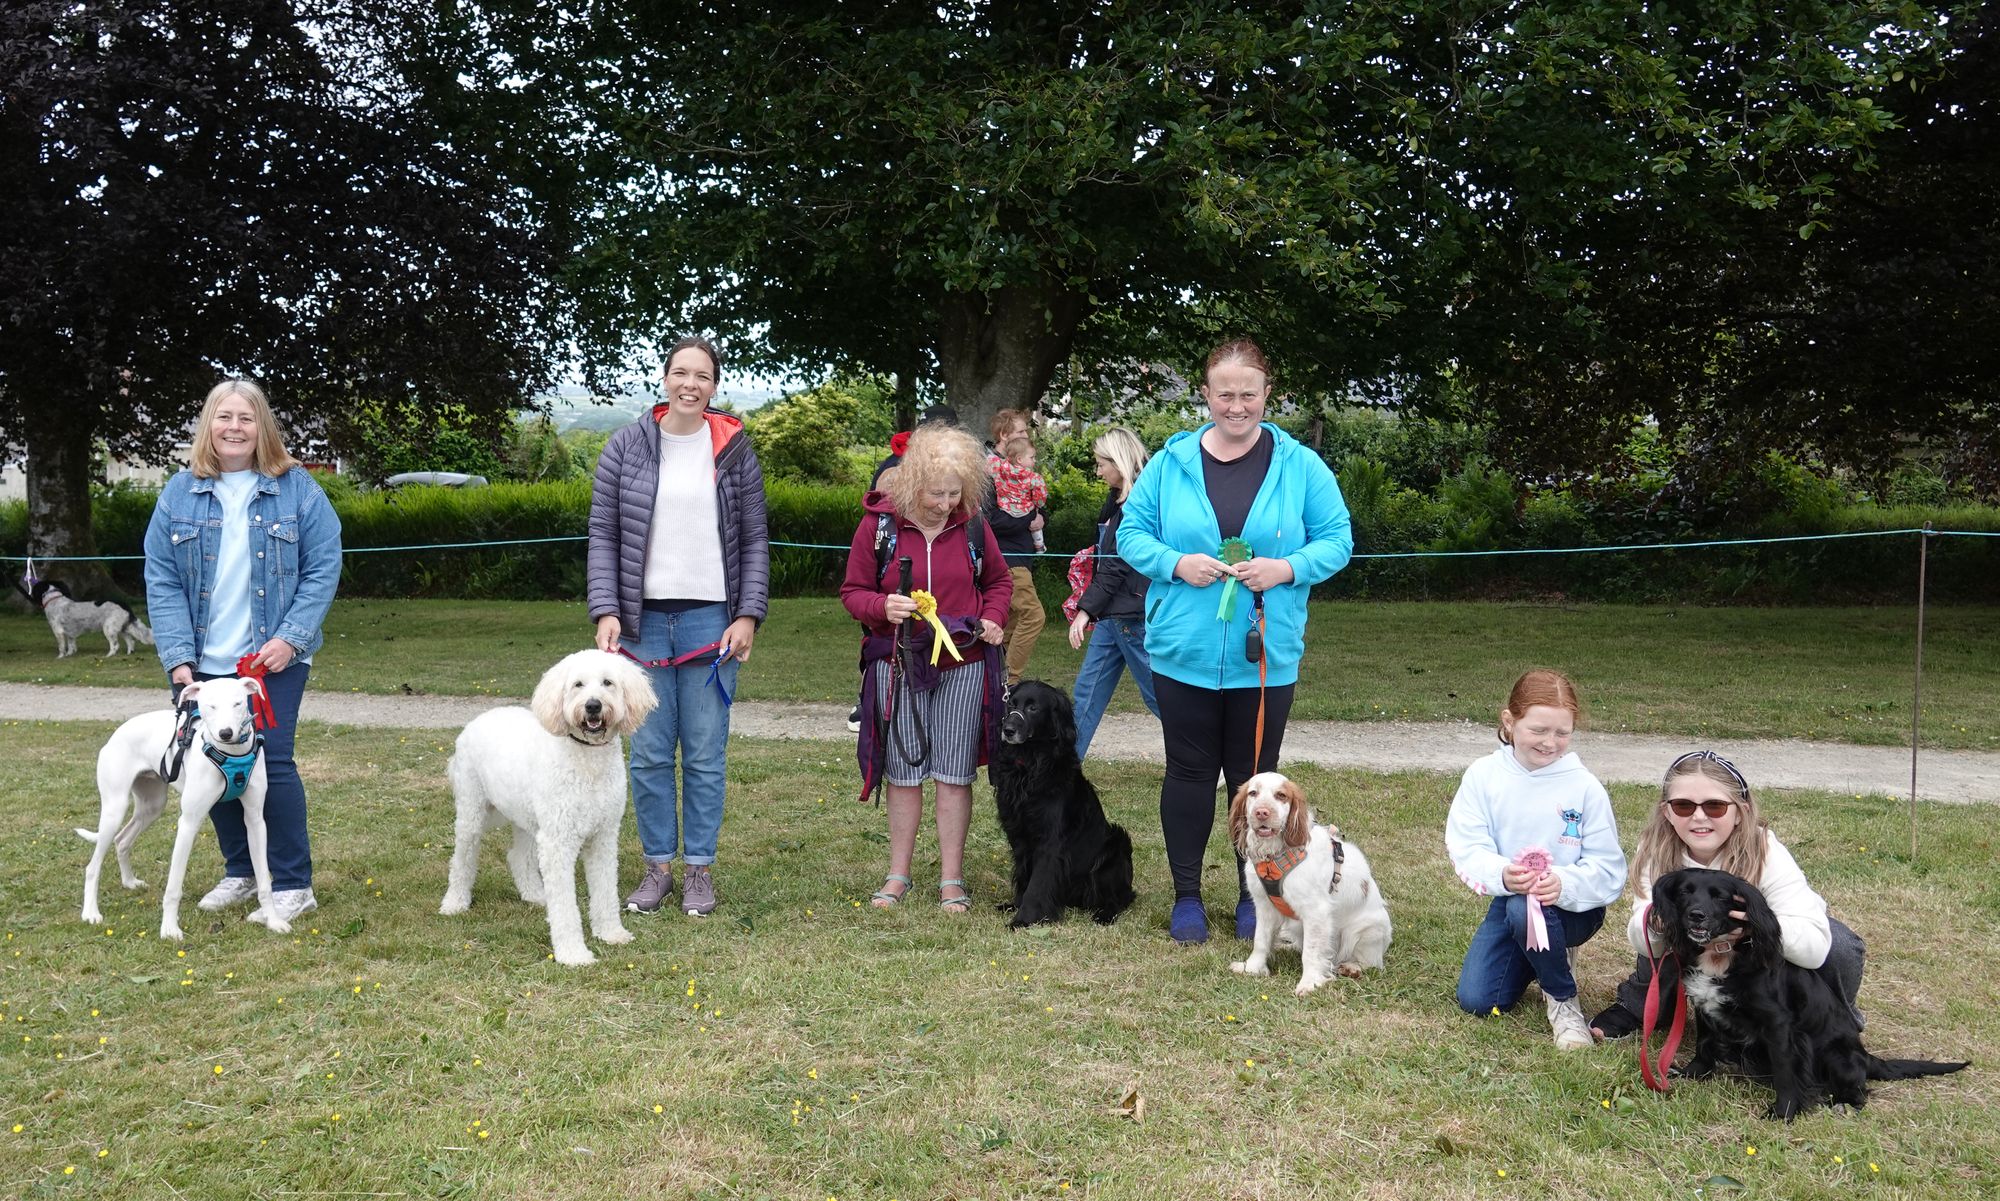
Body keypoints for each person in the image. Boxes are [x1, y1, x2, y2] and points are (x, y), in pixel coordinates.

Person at [1113, 338, 1353, 944]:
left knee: (1254, 779)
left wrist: (1286, 568)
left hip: (1266, 655)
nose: (1237, 406)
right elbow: (1131, 535)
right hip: (1182, 652)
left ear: (1268, 394)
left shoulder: (1301, 466)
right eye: (1225, 395)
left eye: (1249, 394)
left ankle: (1256, 895)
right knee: (1188, 773)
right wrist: (1176, 563)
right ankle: (1187, 897)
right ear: (1206, 394)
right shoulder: (1169, 463)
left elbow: (1337, 539)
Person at [143, 378, 342, 927]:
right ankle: (241, 871)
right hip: (201, 663)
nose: (234, 428)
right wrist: (177, 656)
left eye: (246, 418)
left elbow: (324, 566)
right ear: (209, 425)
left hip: (271, 659)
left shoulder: (298, 489)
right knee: (211, 761)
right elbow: (161, 578)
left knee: (270, 761)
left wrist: (290, 637)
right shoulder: (179, 492)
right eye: (224, 417)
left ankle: (294, 884)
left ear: (262, 427)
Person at [589, 335, 769, 918]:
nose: (691, 384)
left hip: (711, 619)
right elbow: (604, 535)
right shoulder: (625, 446)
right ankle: (657, 868)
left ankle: (699, 871)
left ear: (714, 386)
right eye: (681, 373)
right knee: (647, 754)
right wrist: (606, 608)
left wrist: (747, 614)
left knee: (705, 754)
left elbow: (754, 540)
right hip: (640, 622)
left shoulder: (735, 451)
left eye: (703, 375)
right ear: (665, 378)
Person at [840, 425, 1011, 913]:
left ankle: (951, 879)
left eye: (955, 493)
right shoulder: (879, 527)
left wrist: (993, 618)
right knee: (903, 771)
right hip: (898, 664)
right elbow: (852, 592)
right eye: (936, 493)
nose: (945, 503)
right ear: (913, 480)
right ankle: (898, 874)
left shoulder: (973, 525)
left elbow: (998, 582)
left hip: (964, 663)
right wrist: (882, 606)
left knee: (955, 773)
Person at [1589, 750, 1868, 1039]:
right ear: (1667, 812)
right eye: (1683, 806)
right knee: (1667, 928)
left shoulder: (1766, 851)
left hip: (1754, 952)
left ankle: (1835, 1021)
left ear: (1740, 812)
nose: (1699, 816)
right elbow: (1645, 942)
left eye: (1715, 806)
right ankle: (1645, 1002)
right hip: (1689, 944)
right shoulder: (1656, 849)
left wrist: (1753, 926)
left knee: (1839, 946)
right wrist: (1658, 921)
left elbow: (1815, 947)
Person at [1445, 669, 1627, 1050]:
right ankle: (1543, 953)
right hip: (1514, 901)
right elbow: (1467, 845)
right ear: (1509, 722)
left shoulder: (1584, 786)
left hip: (1575, 910)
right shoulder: (1483, 776)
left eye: (1562, 732)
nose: (1550, 742)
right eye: (1538, 730)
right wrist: (1503, 875)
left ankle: (1563, 1002)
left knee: (1522, 911)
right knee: (1479, 1000)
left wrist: (1564, 884)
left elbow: (1609, 868)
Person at [1066, 427, 1159, 760]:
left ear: (1119, 461)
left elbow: (1117, 565)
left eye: (1101, 464)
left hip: (1131, 616)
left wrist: (1085, 610)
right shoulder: (1117, 500)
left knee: (1159, 696)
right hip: (1112, 613)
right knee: (1086, 694)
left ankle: (1206, 756)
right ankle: (1065, 767)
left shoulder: (1140, 503)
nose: (1098, 471)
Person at [982, 408, 1046, 687]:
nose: (1025, 435)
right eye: (1020, 431)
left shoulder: (1022, 468)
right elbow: (989, 519)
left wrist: (1038, 517)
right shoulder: (989, 471)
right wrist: (1028, 519)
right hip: (1005, 557)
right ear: (1004, 435)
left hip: (1022, 555)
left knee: (1008, 620)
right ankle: (1009, 680)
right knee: (1033, 615)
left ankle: (992, 676)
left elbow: (1037, 506)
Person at [992, 434, 1049, 552]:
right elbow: (1040, 499)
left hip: (1004, 508)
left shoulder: (1000, 467)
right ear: (1019, 459)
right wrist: (1038, 505)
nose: (1034, 460)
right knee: (1036, 516)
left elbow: (989, 470)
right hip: (1025, 511)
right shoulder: (1034, 478)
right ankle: (1039, 545)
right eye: (1032, 457)